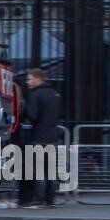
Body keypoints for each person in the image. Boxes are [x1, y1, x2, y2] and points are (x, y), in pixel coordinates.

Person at [20, 68, 62, 208]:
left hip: (39, 136)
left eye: (29, 79)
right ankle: (50, 200)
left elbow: (33, 116)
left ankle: (39, 199)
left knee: (39, 171)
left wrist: (24, 109)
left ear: (38, 79)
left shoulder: (35, 94)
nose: (28, 82)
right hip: (53, 136)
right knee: (50, 170)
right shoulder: (54, 93)